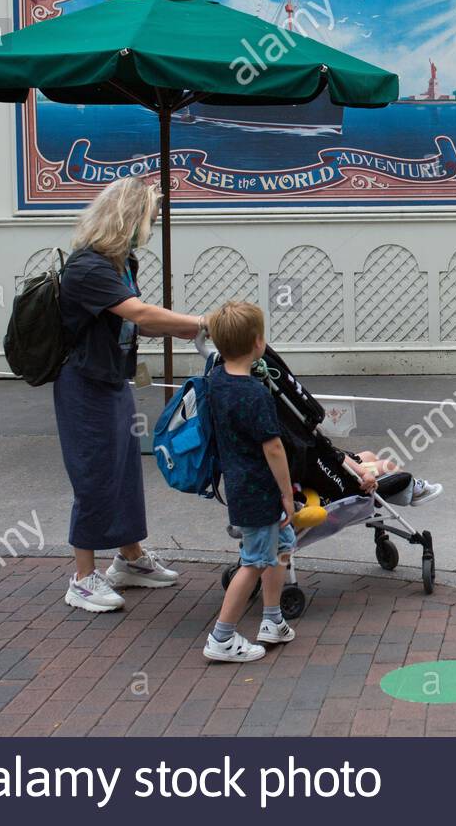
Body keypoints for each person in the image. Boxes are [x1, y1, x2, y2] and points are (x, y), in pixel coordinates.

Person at [56, 176, 205, 613]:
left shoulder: (122, 262)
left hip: (112, 377)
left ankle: (130, 559)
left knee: (122, 468)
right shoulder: (88, 267)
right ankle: (82, 579)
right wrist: (199, 322)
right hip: (83, 383)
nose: (153, 225)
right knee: (94, 473)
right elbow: (136, 311)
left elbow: (137, 322)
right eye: (151, 217)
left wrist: (184, 329)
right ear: (129, 218)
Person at [202, 301, 299, 663]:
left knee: (282, 544)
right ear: (259, 343)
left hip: (239, 484)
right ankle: (221, 637)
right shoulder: (255, 393)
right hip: (259, 490)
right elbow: (273, 448)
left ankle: (272, 619)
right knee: (255, 561)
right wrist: (287, 494)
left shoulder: (217, 381)